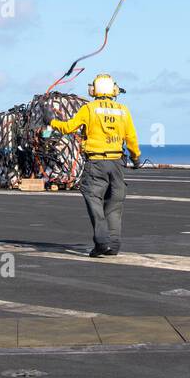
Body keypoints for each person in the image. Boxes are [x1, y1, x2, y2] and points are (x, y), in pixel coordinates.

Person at [44, 74, 141, 257]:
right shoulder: (123, 110)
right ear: (113, 90)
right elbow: (131, 138)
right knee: (114, 202)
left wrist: (51, 121)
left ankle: (102, 242)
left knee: (93, 198)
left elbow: (67, 127)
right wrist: (136, 158)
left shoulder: (89, 109)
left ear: (94, 90)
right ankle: (114, 244)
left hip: (96, 162)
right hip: (117, 163)